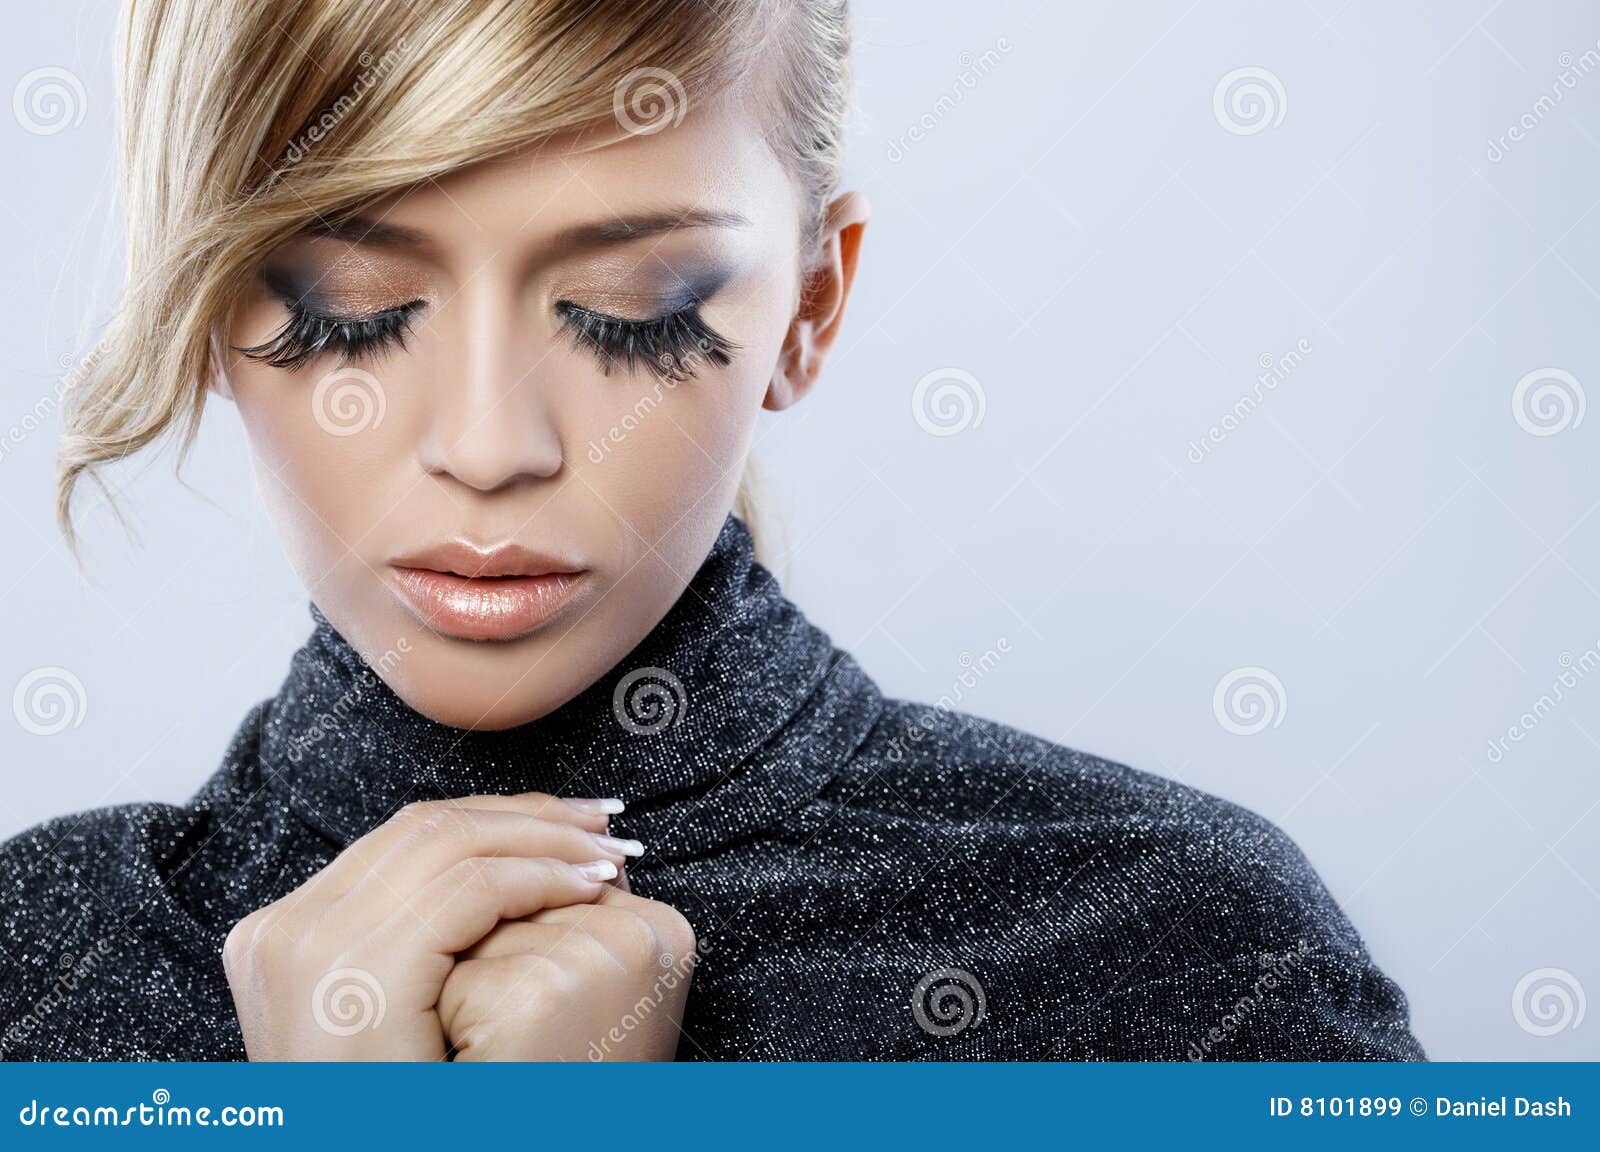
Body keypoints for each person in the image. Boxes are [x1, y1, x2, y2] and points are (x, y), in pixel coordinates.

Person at [0, 0, 1423, 1061]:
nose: (488, 446)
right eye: (348, 309)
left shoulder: (1183, 958)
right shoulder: (36, 967)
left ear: (811, 306)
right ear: (199, 304)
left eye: (631, 312)